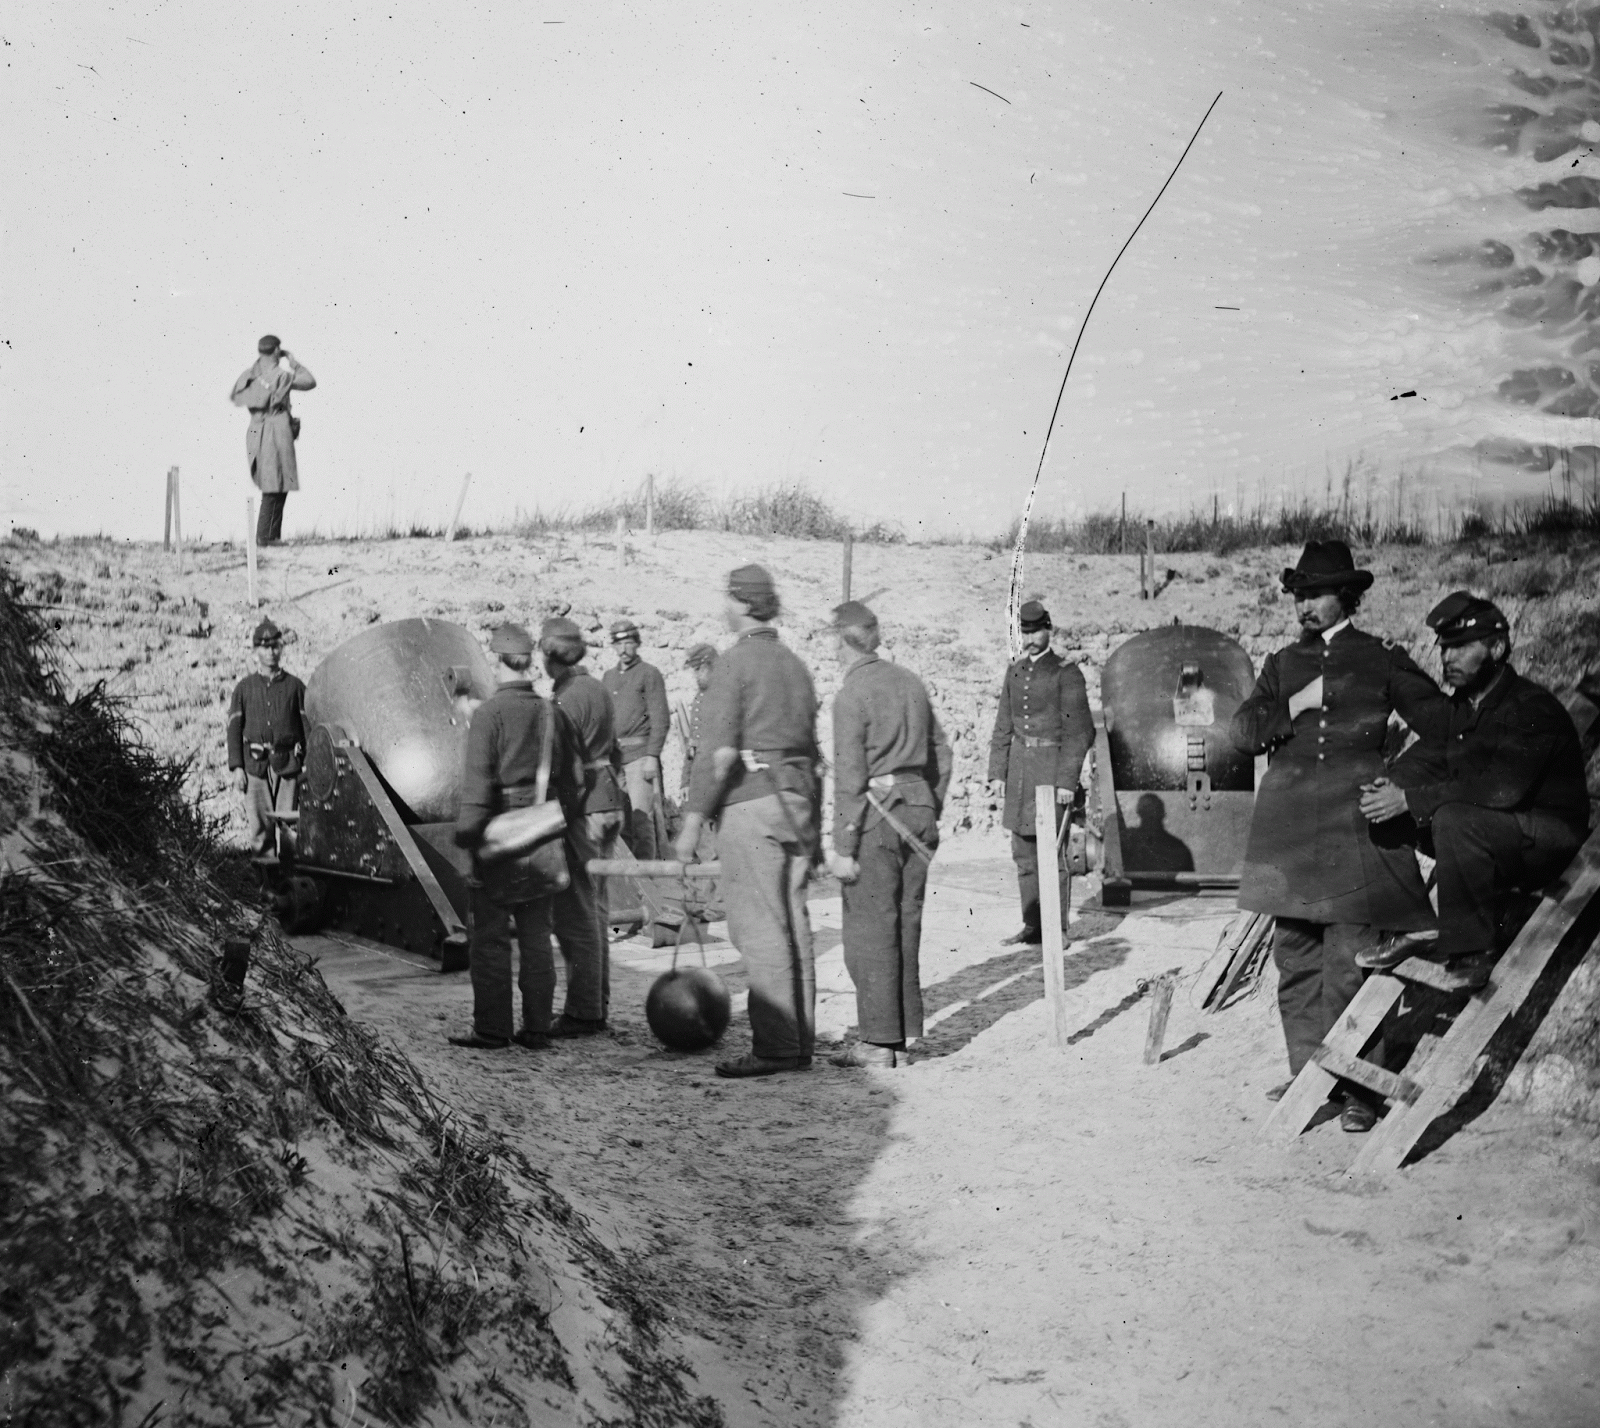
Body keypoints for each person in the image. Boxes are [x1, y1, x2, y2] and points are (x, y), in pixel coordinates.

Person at [1231, 540, 1449, 1131]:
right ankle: (1310, 1076)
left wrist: (1401, 784)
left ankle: (1360, 1089)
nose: (1304, 605)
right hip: (1290, 831)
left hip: (1355, 829)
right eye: (1298, 595)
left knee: (1351, 960)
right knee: (1295, 958)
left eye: (1316, 594)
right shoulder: (1282, 663)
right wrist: (1295, 704)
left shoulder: (1381, 658)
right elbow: (1243, 733)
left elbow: (1445, 729)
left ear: (1347, 596)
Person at [1359, 592, 1590, 991]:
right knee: (1383, 809)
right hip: (1493, 832)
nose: (1448, 658)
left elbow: (1499, 789)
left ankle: (1473, 953)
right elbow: (1434, 755)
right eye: (1444, 648)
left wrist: (1410, 800)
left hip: (1546, 840)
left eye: (1462, 647)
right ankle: (1413, 924)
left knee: (1452, 817)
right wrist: (1392, 785)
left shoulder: (1531, 707)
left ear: (1497, 649)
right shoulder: (1464, 707)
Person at [673, 564, 821, 1078]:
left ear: (739, 603)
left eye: (727, 598)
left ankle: (776, 1047)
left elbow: (716, 754)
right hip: (798, 801)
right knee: (794, 922)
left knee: (759, 928)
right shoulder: (795, 664)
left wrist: (692, 823)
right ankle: (799, 1042)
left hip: (752, 803)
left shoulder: (734, 663)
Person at [451, 623, 607, 1050]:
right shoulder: (552, 712)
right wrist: (550, 815)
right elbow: (576, 783)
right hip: (542, 838)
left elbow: (477, 791)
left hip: (497, 837)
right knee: (537, 936)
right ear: (529, 661)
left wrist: (468, 842)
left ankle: (492, 1029)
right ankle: (536, 1028)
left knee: (490, 938)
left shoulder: (489, 715)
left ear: (497, 660)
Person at [826, 601, 953, 1069]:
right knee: (905, 921)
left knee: (871, 926)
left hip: (877, 817)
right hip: (917, 812)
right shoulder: (910, 682)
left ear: (840, 641)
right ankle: (899, 1034)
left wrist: (843, 846)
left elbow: (850, 778)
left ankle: (878, 1043)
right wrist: (927, 803)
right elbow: (942, 752)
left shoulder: (851, 694)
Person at [985, 600, 1094, 945]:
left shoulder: (1066, 673)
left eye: (1036, 632)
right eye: (1025, 633)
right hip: (1019, 774)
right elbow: (1003, 725)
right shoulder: (1015, 671)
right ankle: (1033, 925)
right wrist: (997, 772)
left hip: (1050, 772)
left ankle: (1057, 930)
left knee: (1053, 853)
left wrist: (1067, 781)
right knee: (1023, 854)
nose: (1030, 639)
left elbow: (1080, 732)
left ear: (1049, 630)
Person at [541, 615, 626, 994]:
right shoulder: (598, 688)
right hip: (610, 801)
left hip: (585, 810)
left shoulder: (565, 699)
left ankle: (585, 1007)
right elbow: (616, 751)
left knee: (578, 913)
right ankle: (598, 998)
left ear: (551, 657)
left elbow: (563, 769)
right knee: (598, 907)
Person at [226, 618, 305, 858]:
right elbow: (234, 729)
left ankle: (289, 875)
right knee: (260, 828)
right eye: (265, 647)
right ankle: (264, 877)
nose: (271, 652)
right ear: (255, 651)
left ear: (282, 648)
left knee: (288, 826)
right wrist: (237, 768)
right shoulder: (244, 688)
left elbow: (307, 727)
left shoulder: (295, 686)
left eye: (275, 647)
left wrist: (308, 766)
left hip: (288, 766)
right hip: (255, 766)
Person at [230, 335, 316, 547]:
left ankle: (270, 536)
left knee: (275, 482)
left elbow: (236, 398)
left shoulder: (248, 375)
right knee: (275, 484)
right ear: (277, 350)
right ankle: (266, 537)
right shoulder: (280, 376)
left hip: (256, 430)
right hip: (275, 430)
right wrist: (293, 362)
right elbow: (309, 381)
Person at [602, 619, 670, 861]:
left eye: (628, 643)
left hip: (640, 758)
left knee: (642, 820)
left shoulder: (649, 674)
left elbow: (661, 720)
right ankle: (632, 876)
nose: (623, 649)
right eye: (618, 644)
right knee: (621, 823)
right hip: (615, 759)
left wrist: (652, 756)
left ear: (637, 643)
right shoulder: (608, 677)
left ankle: (648, 874)